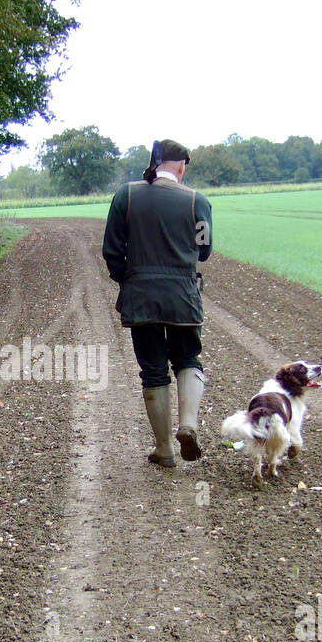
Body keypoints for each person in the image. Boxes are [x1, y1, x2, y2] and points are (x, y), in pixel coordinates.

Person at [103, 139, 213, 467]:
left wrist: (130, 280)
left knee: (152, 370)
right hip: (183, 297)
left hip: (141, 299)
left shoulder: (127, 195)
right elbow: (204, 249)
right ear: (181, 167)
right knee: (188, 359)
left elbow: (111, 249)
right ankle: (188, 425)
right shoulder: (197, 201)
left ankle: (164, 448)